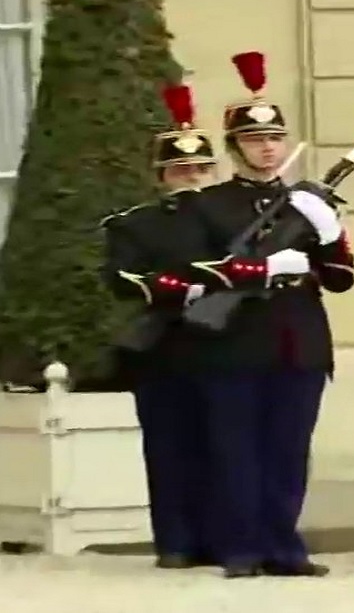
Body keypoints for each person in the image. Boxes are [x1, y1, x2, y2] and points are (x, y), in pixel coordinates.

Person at [186, 51, 354, 578]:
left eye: (275, 139)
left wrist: (328, 233)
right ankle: (240, 549)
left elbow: (342, 278)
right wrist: (257, 271)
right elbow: (195, 274)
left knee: (288, 451)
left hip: (298, 342)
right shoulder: (208, 205)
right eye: (255, 140)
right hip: (233, 340)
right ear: (235, 147)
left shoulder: (309, 204)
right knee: (235, 451)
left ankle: (283, 546)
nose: (267, 147)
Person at [100, 84, 229, 569]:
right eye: (180, 171)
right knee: (169, 447)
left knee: (223, 445)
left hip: (222, 342)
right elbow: (123, 276)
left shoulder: (231, 215)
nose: (191, 179)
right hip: (164, 345)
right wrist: (182, 287)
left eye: (200, 169)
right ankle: (175, 541)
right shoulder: (136, 224)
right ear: (161, 176)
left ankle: (220, 537)